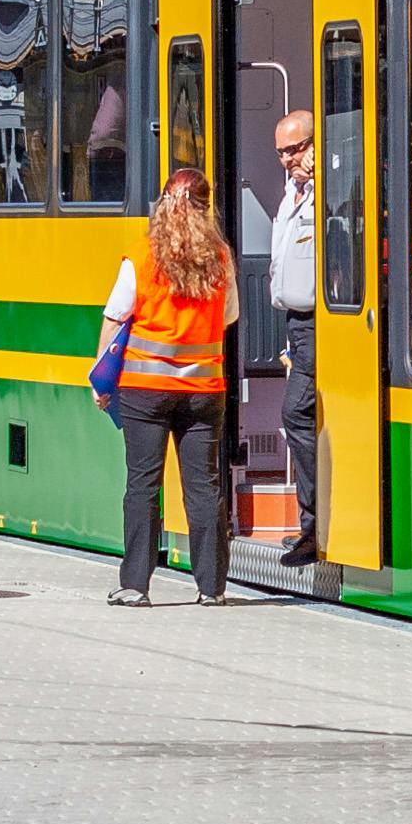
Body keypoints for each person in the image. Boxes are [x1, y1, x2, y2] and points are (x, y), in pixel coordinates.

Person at [96, 168, 238, 606]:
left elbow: (116, 316)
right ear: (205, 207)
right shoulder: (220, 257)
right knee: (204, 486)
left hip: (145, 389)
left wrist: (102, 379)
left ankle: (136, 585)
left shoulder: (141, 255)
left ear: (162, 204)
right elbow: (229, 316)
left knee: (143, 483)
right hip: (203, 391)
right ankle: (211, 589)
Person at [267, 110, 323, 568]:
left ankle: (314, 526)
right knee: (301, 418)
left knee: (296, 414)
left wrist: (324, 178)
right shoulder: (292, 194)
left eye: (296, 148)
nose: (288, 159)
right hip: (296, 327)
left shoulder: (328, 190)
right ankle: (315, 524)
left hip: (319, 323)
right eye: (282, 152)